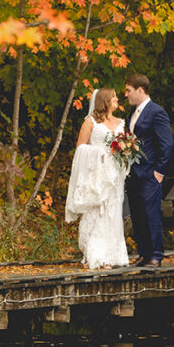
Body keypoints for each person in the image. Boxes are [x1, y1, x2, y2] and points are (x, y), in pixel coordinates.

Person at [65, 88, 130, 269]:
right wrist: (99, 154)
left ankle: (112, 254)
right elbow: (80, 148)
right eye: (114, 97)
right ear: (105, 100)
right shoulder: (91, 121)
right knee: (97, 212)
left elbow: (125, 144)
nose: (117, 99)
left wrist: (127, 152)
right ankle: (96, 255)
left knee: (113, 211)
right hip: (98, 174)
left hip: (115, 174)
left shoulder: (120, 122)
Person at [123, 74, 173, 268]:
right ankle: (144, 253)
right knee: (137, 214)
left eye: (128, 90)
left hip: (150, 173)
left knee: (151, 213)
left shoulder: (156, 112)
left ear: (140, 90)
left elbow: (166, 143)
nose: (126, 94)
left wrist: (159, 171)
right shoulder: (133, 113)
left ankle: (156, 255)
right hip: (134, 173)